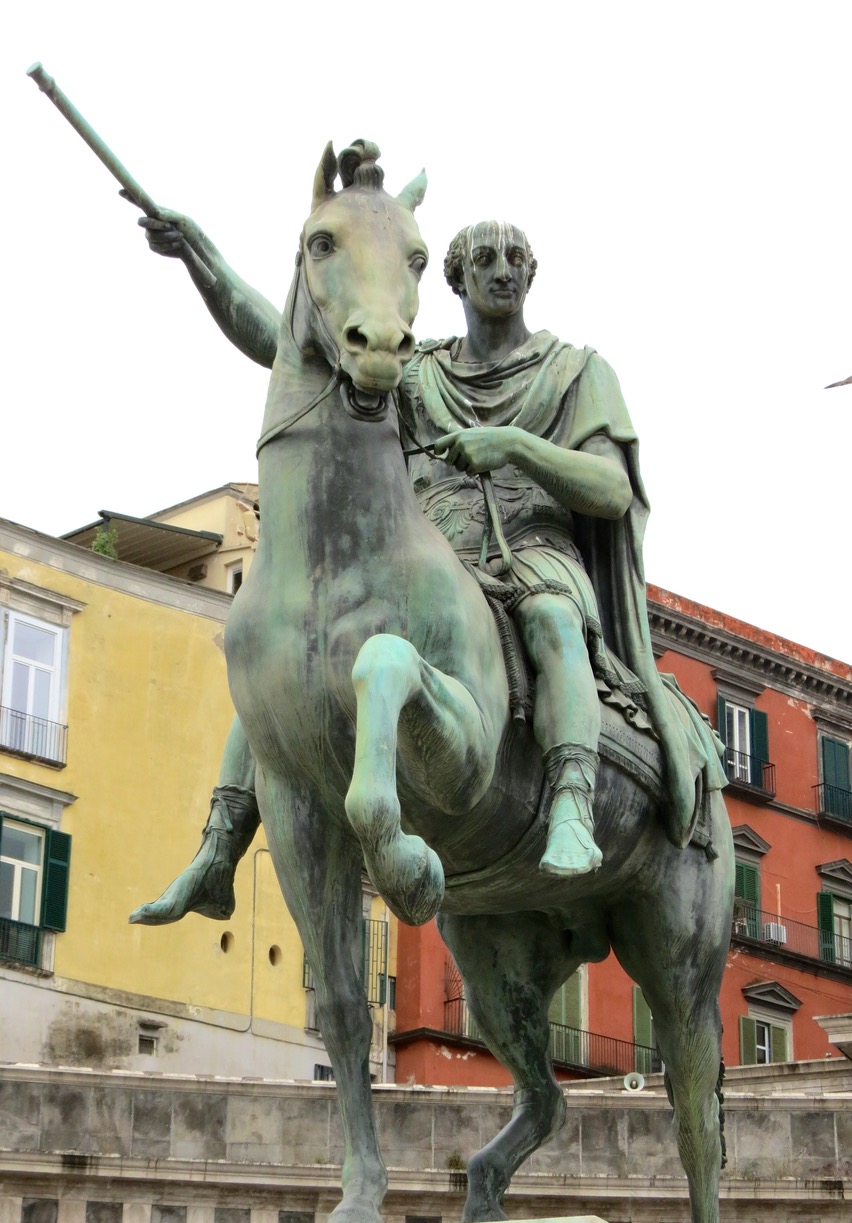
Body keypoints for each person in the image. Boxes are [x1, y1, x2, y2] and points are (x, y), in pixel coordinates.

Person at [131, 212, 723, 925]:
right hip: (422, 553)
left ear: (530, 275)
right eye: (483, 259)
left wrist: (515, 447)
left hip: (532, 548)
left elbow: (610, 488)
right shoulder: (420, 368)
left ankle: (570, 801)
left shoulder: (577, 371)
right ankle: (221, 843)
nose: (501, 269)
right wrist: (201, 258)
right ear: (457, 278)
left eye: (514, 258)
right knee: (292, 652)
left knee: (553, 621)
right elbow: (285, 341)